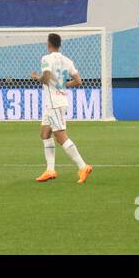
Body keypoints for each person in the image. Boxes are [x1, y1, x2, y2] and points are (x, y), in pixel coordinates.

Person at [30, 32, 93, 184]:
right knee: (45, 134)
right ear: (59, 45)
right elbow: (78, 81)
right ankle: (50, 170)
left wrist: (38, 78)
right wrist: (62, 84)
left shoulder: (46, 58)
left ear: (49, 44)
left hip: (54, 103)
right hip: (58, 101)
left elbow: (46, 76)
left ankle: (82, 166)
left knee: (60, 136)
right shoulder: (67, 60)